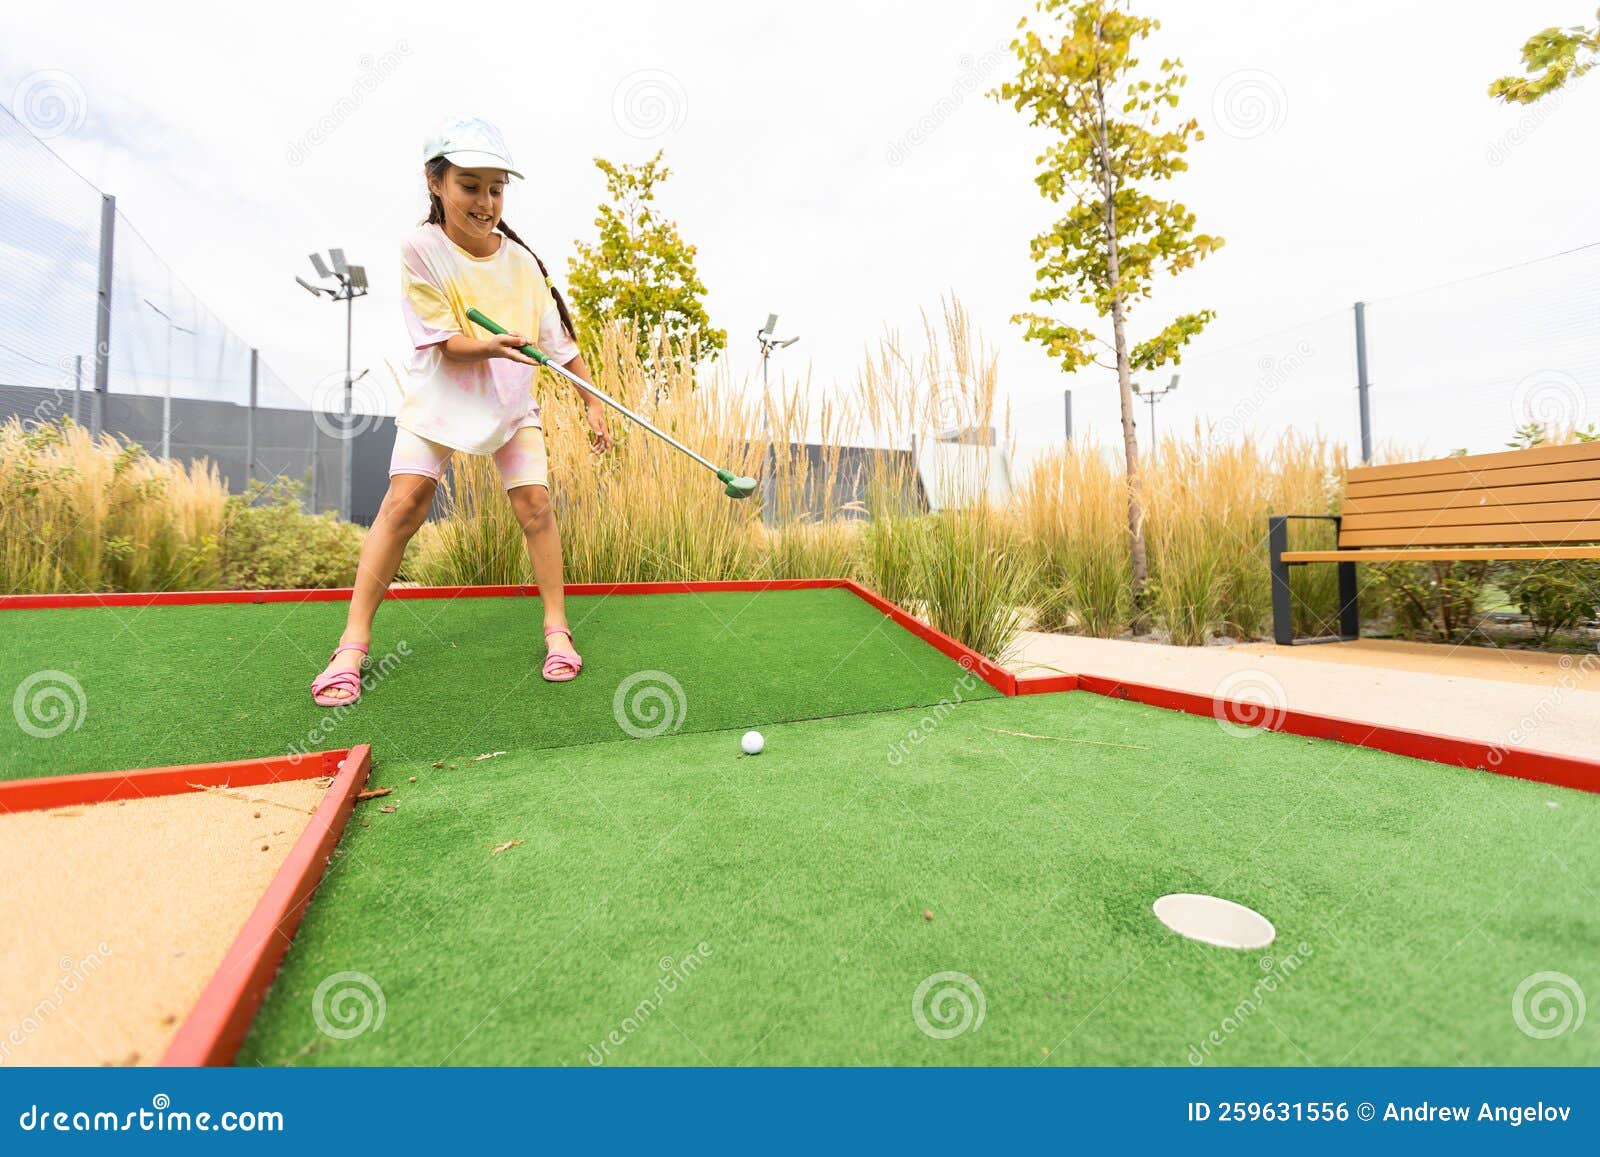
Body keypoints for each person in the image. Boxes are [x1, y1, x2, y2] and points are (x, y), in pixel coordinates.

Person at [311, 114, 610, 706]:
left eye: (496, 188)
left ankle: (557, 632)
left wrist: (591, 403)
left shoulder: (524, 265)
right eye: (470, 185)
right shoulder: (421, 248)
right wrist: (493, 345)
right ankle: (351, 644)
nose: (485, 201)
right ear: (435, 182)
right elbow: (445, 341)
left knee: (536, 506)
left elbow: (559, 344)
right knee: (404, 503)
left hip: (508, 402)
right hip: (443, 396)